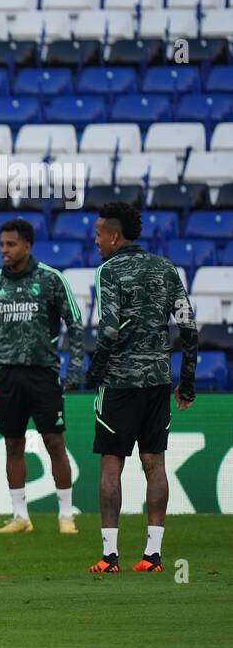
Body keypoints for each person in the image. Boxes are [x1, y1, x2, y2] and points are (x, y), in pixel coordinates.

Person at [84, 203, 198, 574]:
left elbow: (110, 329)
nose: (95, 240)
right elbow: (189, 327)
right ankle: (152, 555)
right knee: (155, 464)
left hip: (119, 383)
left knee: (111, 466)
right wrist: (187, 381)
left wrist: (94, 370)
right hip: (158, 382)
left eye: (99, 234)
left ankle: (110, 556)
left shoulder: (109, 270)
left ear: (114, 236)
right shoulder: (167, 268)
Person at [0, 218, 84, 535]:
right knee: (13, 445)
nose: (4, 251)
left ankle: (66, 515)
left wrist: (73, 370)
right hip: (7, 374)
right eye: (1, 245)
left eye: (10, 244)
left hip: (43, 374)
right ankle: (21, 516)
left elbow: (75, 324)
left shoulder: (51, 279)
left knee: (54, 442)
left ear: (27, 245)